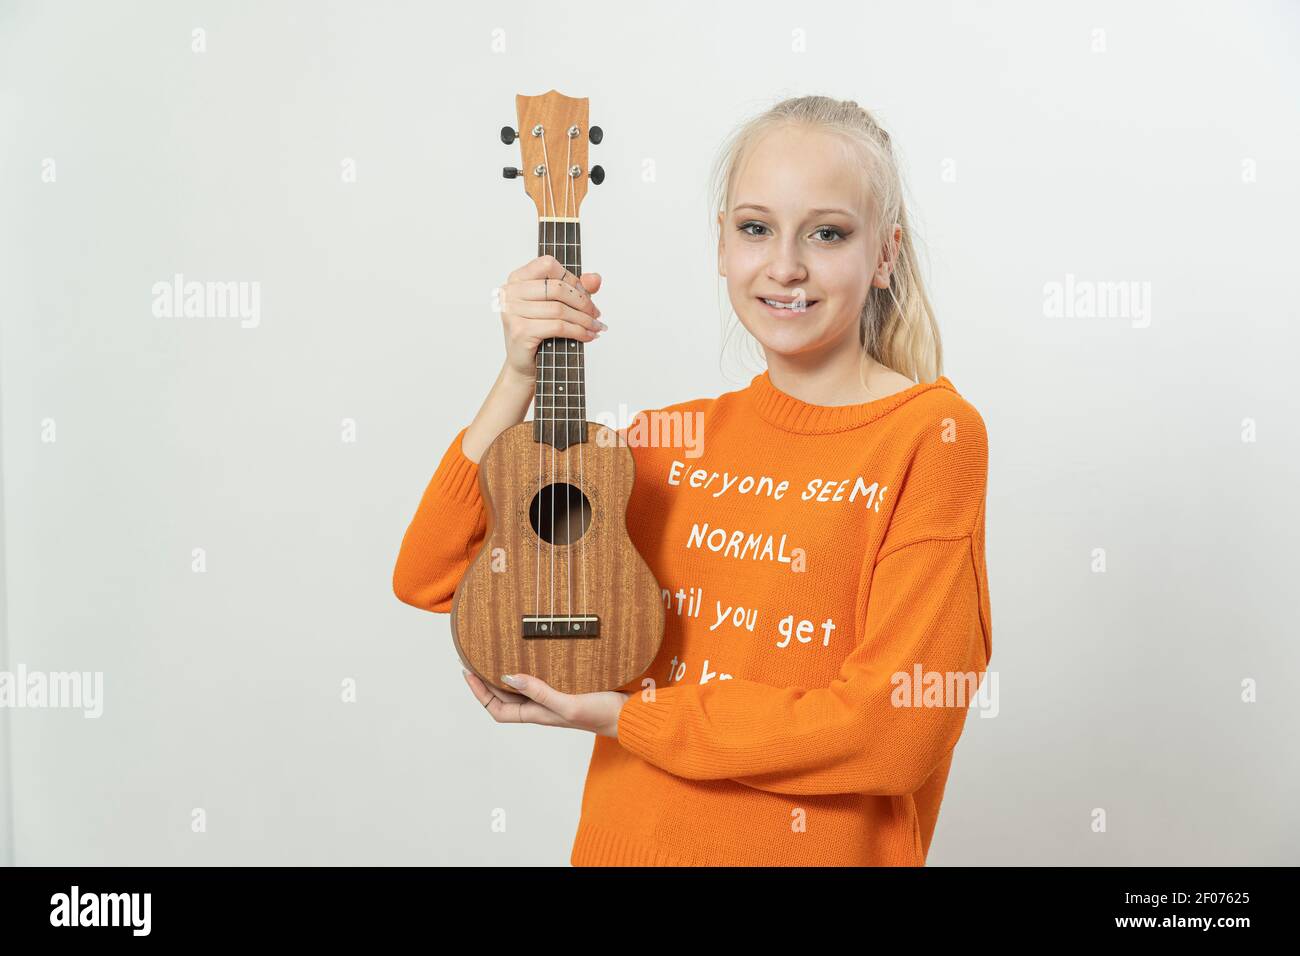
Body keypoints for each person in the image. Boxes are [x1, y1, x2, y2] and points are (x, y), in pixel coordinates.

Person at [393, 95, 992, 866]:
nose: (785, 265)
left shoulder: (930, 436)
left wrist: (627, 718)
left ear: (884, 255)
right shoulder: (661, 447)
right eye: (755, 228)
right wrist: (516, 377)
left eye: (828, 233)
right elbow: (431, 575)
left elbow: (892, 733)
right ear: (721, 245)